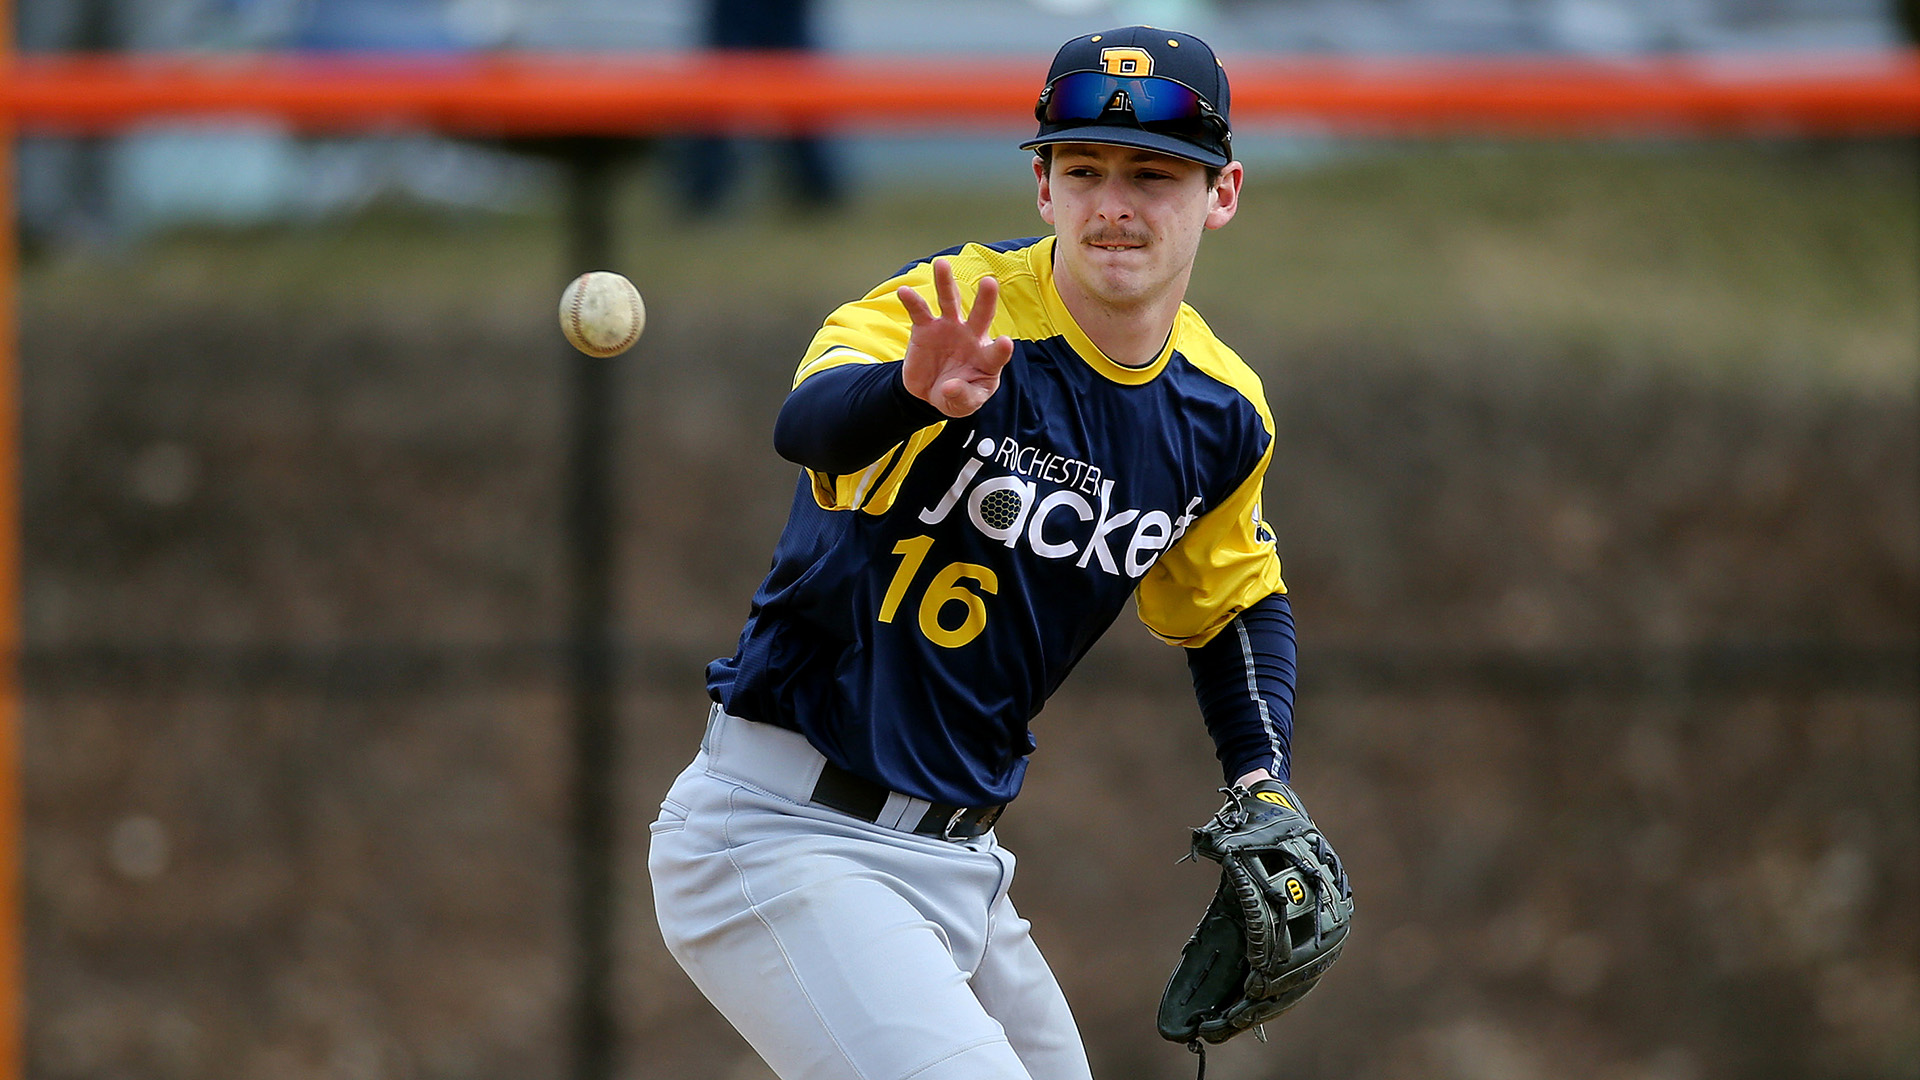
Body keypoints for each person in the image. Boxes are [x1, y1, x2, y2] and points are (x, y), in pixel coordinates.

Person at [649, 26, 1301, 1080]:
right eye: (1082, 170)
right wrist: (908, 392)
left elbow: (1230, 605)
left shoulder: (1221, 409)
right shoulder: (956, 310)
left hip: (961, 862)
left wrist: (1262, 778)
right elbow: (807, 426)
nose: (1113, 204)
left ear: (1221, 193)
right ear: (1043, 186)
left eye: (1152, 174)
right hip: (786, 833)